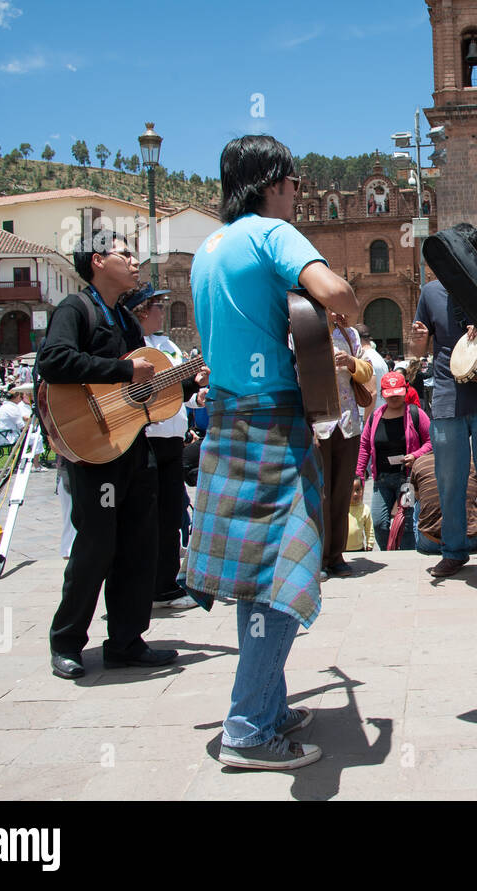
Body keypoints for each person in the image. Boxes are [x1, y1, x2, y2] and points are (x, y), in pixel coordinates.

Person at [187, 134, 360, 771]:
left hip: (228, 419)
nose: (298, 193)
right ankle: (249, 729)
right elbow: (338, 292)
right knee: (289, 570)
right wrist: (332, 307)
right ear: (272, 183)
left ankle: (267, 700)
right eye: (292, 183)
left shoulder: (207, 247)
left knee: (259, 572)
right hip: (274, 420)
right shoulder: (271, 233)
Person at [37, 233, 178, 681]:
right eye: (126, 254)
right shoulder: (75, 310)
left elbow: (137, 392)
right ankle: (65, 641)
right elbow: (54, 361)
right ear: (98, 261)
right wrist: (120, 369)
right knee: (96, 545)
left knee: (141, 542)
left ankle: (125, 641)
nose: (137, 262)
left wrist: (187, 384)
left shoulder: (126, 321)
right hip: (94, 449)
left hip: (131, 445)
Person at [411, 223, 477, 585]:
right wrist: (418, 341)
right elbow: (417, 350)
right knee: (448, 482)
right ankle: (453, 552)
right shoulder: (431, 292)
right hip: (447, 400)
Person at [125, 284, 205, 610]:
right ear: (143, 311)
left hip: (171, 438)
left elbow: (173, 391)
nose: (164, 310)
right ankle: (151, 586)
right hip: (146, 440)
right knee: (149, 517)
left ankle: (165, 584)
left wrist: (195, 393)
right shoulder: (131, 347)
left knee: (172, 513)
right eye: (159, 305)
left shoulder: (167, 345)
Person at [318, 311, 371, 578]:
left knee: (340, 491)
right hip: (318, 422)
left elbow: (367, 371)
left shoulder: (349, 334)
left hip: (348, 422)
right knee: (321, 493)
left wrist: (351, 362)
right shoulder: (301, 333)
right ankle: (319, 556)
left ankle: (336, 555)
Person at [355, 371, 432, 550]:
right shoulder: (375, 417)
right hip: (381, 480)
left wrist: (416, 455)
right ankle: (388, 554)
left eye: (398, 394)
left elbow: (431, 441)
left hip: (407, 481)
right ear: (383, 393)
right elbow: (364, 446)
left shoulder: (416, 414)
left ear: (405, 391)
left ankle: (407, 557)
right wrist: (359, 473)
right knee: (379, 523)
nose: (394, 398)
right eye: (390, 395)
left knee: (407, 526)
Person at [408, 451, 477, 556]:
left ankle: (420, 544)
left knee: (418, 503)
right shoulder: (471, 460)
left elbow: (417, 495)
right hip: (469, 542)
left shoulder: (419, 462)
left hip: (430, 543)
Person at [354, 324, 388, 421]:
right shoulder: (378, 357)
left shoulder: (365, 358)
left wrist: (366, 420)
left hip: (368, 414)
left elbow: (372, 393)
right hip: (380, 411)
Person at [346, 477, 375, 552]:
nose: (355, 494)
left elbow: (369, 529)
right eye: (351, 490)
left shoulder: (365, 509)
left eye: (358, 490)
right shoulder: (342, 509)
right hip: (342, 550)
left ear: (362, 490)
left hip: (359, 549)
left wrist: (370, 544)